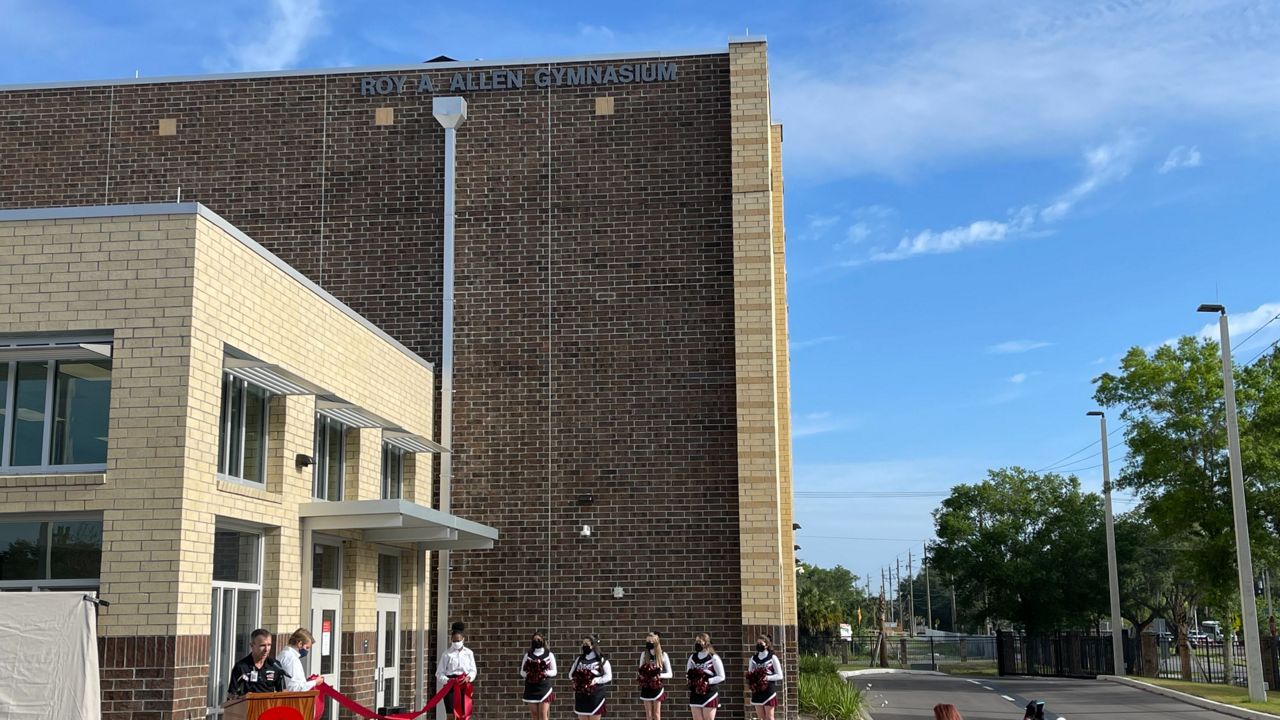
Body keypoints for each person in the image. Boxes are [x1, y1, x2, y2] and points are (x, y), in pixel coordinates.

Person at [227, 628, 287, 698]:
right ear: (252, 646)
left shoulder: (275, 665)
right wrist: (243, 697)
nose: (266, 649)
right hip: (247, 707)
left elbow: (283, 692)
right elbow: (231, 695)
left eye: (269, 645)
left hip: (269, 707)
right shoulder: (241, 667)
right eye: (262, 645)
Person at [437, 621, 478, 718]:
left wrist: (469, 678)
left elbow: (473, 670)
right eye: (454, 641)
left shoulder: (469, 653)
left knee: (464, 714)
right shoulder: (447, 654)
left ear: (463, 639)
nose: (456, 643)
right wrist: (447, 680)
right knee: (451, 714)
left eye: (458, 641)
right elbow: (439, 673)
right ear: (451, 639)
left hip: (464, 684)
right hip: (450, 686)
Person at [570, 634, 612, 719]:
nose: (584, 646)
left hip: (596, 695)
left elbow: (609, 676)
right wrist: (575, 681)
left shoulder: (601, 660)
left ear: (593, 645)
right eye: (583, 644)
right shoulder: (579, 659)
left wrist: (597, 680)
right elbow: (571, 674)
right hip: (581, 695)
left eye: (587, 644)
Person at [686, 633, 725, 720]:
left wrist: (707, 681)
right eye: (696, 641)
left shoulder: (713, 657)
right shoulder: (692, 657)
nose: (697, 643)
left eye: (699, 641)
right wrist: (692, 681)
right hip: (695, 693)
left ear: (706, 643)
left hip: (710, 693)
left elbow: (721, 676)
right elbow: (688, 673)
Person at [520, 630, 557, 720]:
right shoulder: (528, 655)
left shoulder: (549, 654)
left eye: (539, 639)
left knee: (543, 714)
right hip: (531, 687)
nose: (536, 641)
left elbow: (554, 671)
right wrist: (530, 673)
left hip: (544, 687)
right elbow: (522, 672)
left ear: (543, 641)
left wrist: (543, 672)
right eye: (534, 639)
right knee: (534, 714)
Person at [746, 634, 784, 720]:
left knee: (770, 717)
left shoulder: (772, 657)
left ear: (766, 645)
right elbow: (750, 674)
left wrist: (767, 678)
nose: (759, 645)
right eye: (757, 643)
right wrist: (753, 681)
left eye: (761, 643)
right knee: (761, 718)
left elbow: (780, 675)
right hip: (757, 690)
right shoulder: (753, 659)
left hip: (769, 690)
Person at [276, 628, 325, 692]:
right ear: (300, 644)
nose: (307, 651)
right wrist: (315, 682)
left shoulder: (284, 654)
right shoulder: (292, 659)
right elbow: (294, 688)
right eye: (307, 647)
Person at [639, 630, 673, 719]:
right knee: (648, 715)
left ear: (656, 643)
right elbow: (640, 671)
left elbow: (670, 674)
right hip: (646, 686)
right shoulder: (644, 654)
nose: (648, 644)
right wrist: (643, 676)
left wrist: (659, 676)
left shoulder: (663, 655)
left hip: (657, 686)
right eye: (647, 641)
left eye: (650, 642)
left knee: (657, 714)